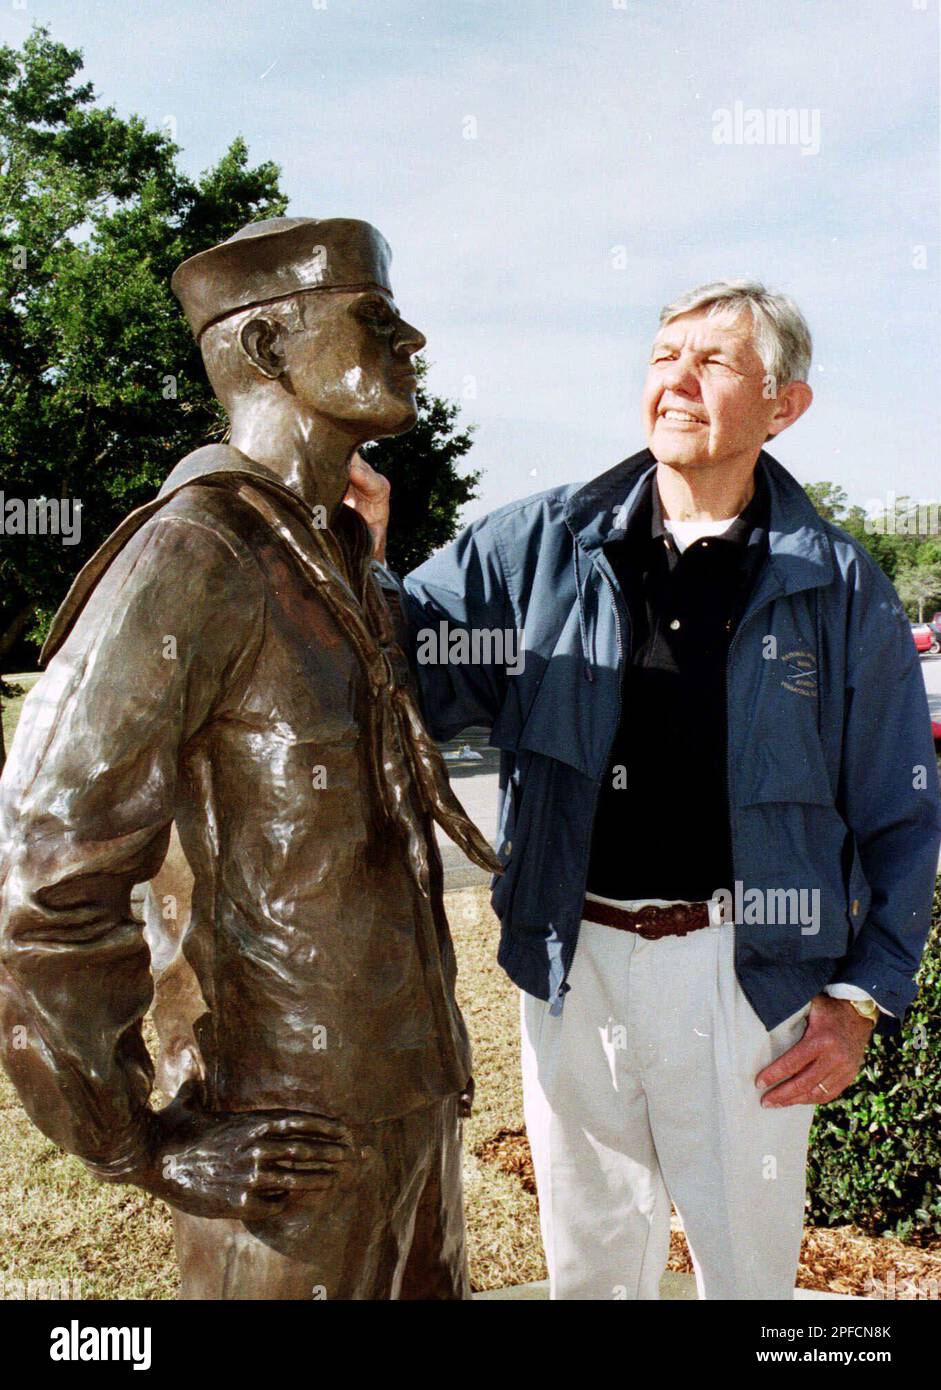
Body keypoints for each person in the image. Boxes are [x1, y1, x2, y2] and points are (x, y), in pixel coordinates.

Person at [351, 279, 941, 1299]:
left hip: (746, 975)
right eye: (663, 353)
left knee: (747, 1277)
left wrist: (852, 1001)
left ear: (782, 406)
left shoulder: (835, 585)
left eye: (713, 361)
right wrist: (359, 561)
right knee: (587, 1268)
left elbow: (900, 806)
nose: (675, 377)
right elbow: (407, 669)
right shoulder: (536, 545)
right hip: (570, 961)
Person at [0, 216, 500, 1300]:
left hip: (415, 1123)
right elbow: (46, 883)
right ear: (269, 349)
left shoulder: (340, 567)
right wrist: (134, 1141)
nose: (411, 338)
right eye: (373, 316)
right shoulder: (191, 555)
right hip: (286, 1161)